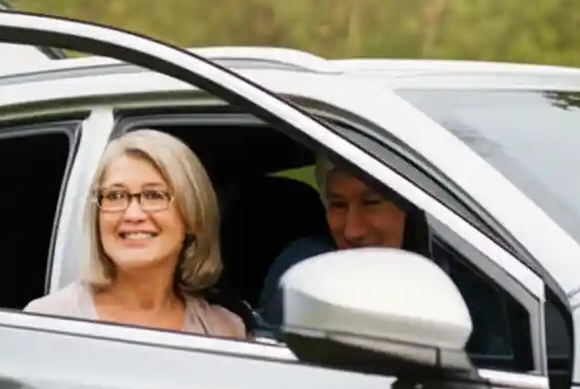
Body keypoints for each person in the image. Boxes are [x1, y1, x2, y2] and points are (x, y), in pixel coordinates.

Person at [25, 129, 246, 339]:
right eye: (115, 196)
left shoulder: (223, 330)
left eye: (154, 195)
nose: (132, 214)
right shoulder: (47, 321)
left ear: (192, 215)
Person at [256, 152, 407, 326]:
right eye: (338, 205)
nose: (352, 232)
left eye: (371, 202)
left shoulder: (442, 250)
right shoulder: (307, 274)